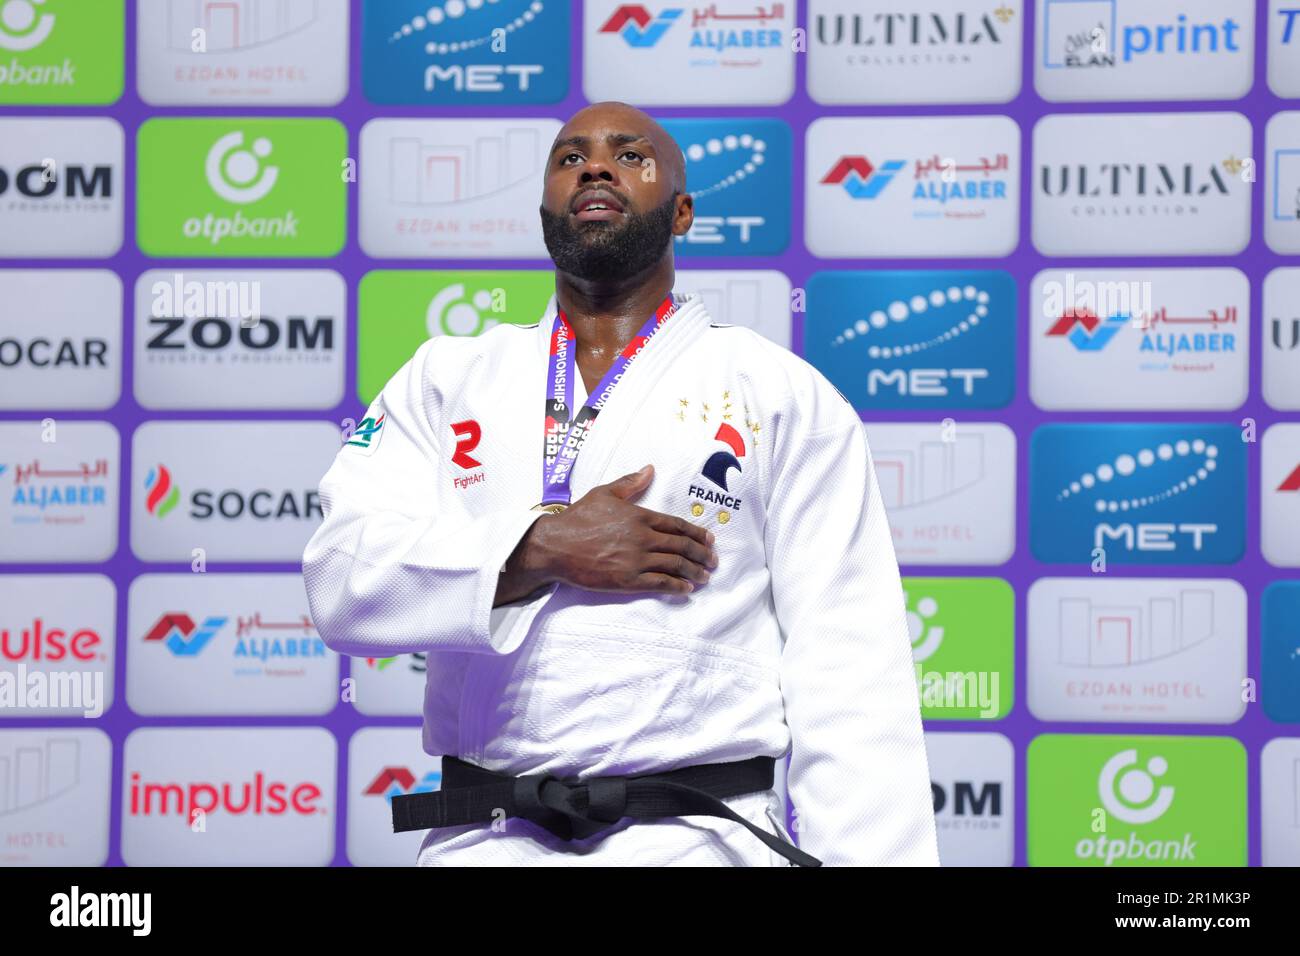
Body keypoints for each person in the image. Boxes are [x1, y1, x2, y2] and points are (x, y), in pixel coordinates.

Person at [302, 101, 938, 867]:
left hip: (698, 840)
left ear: (681, 213)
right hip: (487, 839)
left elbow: (852, 668)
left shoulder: (777, 394)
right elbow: (341, 576)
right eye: (570, 158)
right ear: (543, 207)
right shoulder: (448, 379)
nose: (595, 167)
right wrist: (534, 547)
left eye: (630, 156)